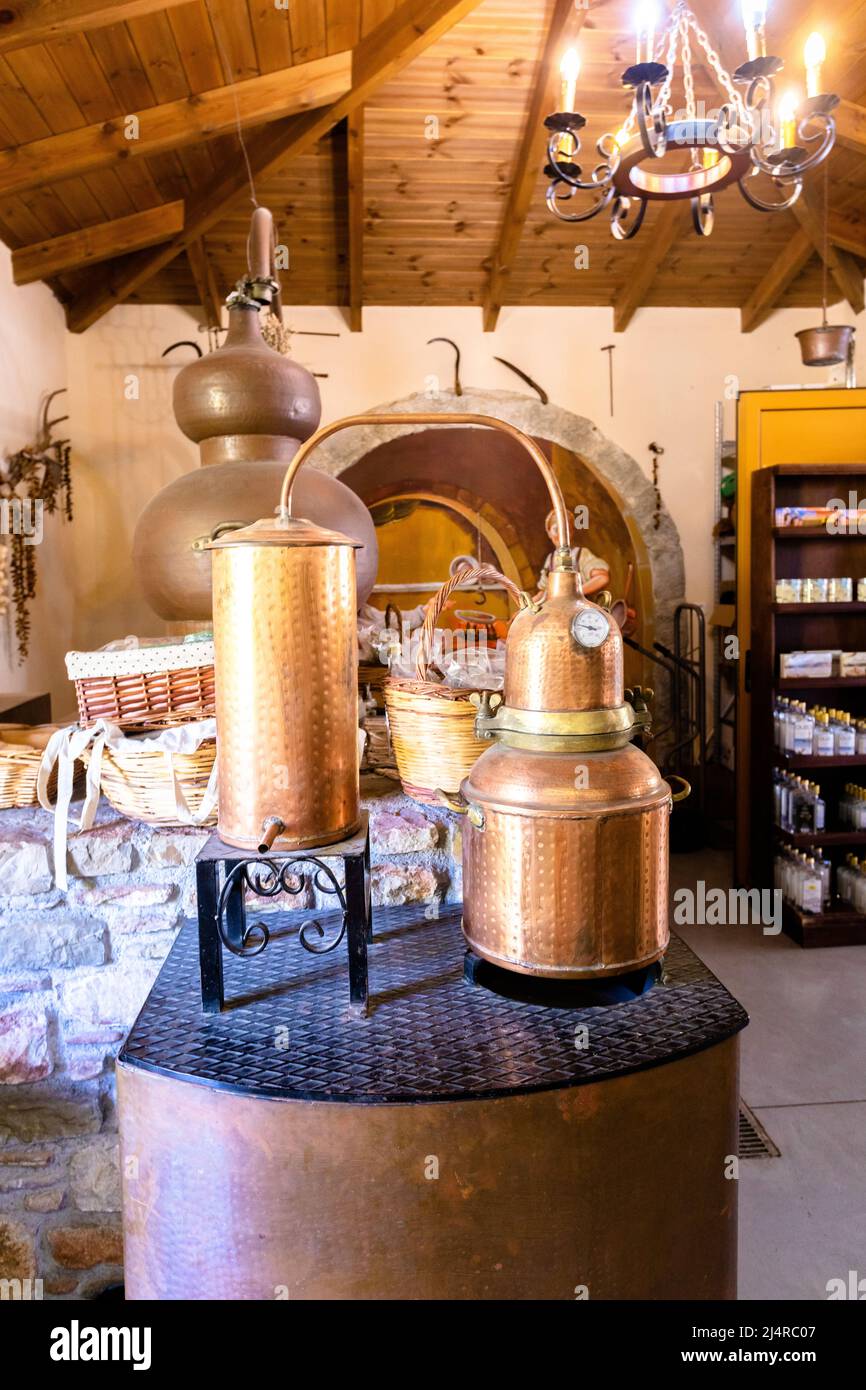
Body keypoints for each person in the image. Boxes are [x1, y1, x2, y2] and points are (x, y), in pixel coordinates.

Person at [535, 509, 611, 599]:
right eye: (556, 530)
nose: (561, 535)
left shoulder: (581, 554)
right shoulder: (550, 559)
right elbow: (544, 592)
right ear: (549, 532)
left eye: (566, 530)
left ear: (571, 532)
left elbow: (602, 578)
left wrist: (574, 593)